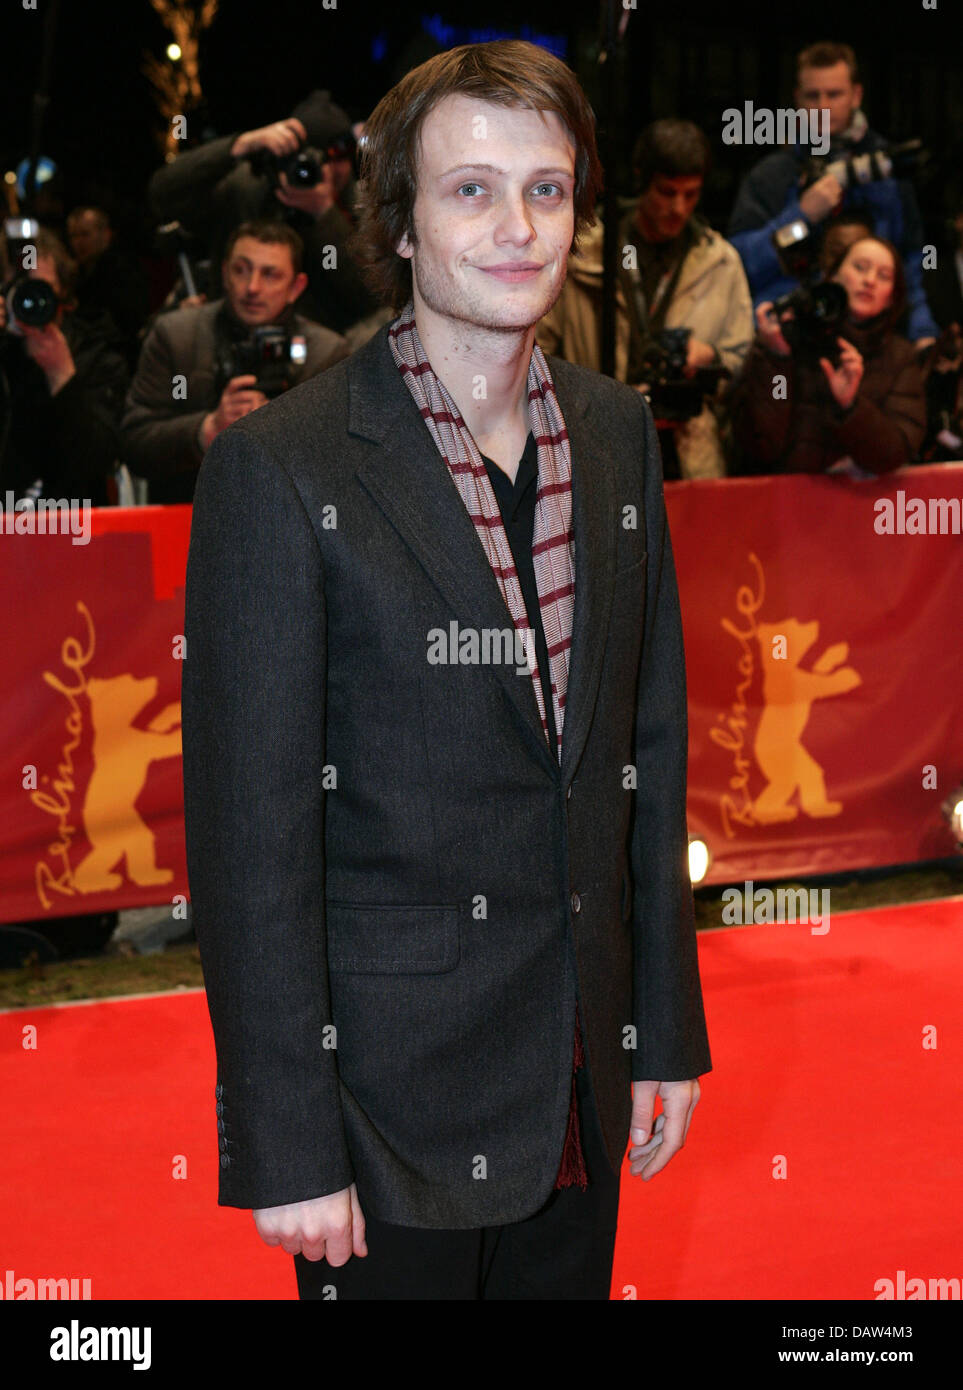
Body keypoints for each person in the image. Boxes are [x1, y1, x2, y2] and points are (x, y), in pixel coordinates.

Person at [182, 39, 711, 1302]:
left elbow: (648, 748)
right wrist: (288, 1140)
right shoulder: (285, 469)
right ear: (400, 223)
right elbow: (248, 837)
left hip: (580, 1081)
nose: (517, 225)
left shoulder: (618, 433)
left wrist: (661, 1030)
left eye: (546, 188)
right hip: (382, 1115)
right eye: (470, 189)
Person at [538, 119, 753, 478]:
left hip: (689, 459)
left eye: (691, 194)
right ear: (641, 181)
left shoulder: (721, 261)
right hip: (594, 450)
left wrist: (710, 357)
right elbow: (537, 354)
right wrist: (595, 399)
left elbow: (743, 364)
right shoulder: (581, 255)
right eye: (667, 192)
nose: (679, 208)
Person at [728, 41, 938, 348]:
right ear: (797, 99)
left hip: (873, 342)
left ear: (856, 95)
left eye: (835, 94)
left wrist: (922, 331)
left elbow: (912, 261)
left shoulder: (887, 170)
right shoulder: (772, 175)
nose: (823, 107)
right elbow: (737, 266)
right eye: (813, 96)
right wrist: (800, 217)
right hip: (789, 339)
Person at [121, 220, 349, 503]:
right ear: (224, 273)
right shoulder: (176, 336)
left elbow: (345, 465)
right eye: (241, 270)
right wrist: (205, 430)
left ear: (296, 287)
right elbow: (133, 444)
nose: (252, 287)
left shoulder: (326, 354)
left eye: (270, 275)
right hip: (187, 518)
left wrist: (285, 432)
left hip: (290, 524)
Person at [148, 90, 383, 338]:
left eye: (336, 157)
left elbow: (369, 299)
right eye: (310, 160)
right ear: (287, 155)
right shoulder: (249, 188)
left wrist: (324, 215)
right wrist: (238, 145)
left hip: (326, 351)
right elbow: (162, 193)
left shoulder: (361, 204)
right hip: (238, 337)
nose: (323, 171)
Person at [730, 234, 926, 473]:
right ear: (832, 276)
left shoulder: (900, 357)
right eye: (860, 267)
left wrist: (850, 407)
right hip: (778, 498)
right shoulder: (788, 336)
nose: (870, 280)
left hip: (855, 504)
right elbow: (760, 444)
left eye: (883, 275)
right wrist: (777, 359)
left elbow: (894, 454)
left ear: (891, 299)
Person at [0, 228, 128, 507]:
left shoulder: (97, 354)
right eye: (16, 290)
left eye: (38, 291)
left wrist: (62, 377)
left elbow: (99, 462)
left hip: (70, 528)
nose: (26, 303)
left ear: (62, 297)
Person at [65, 205, 151, 371]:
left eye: (85, 234)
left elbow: (127, 324)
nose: (78, 242)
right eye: (73, 236)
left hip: (120, 358)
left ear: (106, 234)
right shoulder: (77, 274)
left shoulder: (124, 270)